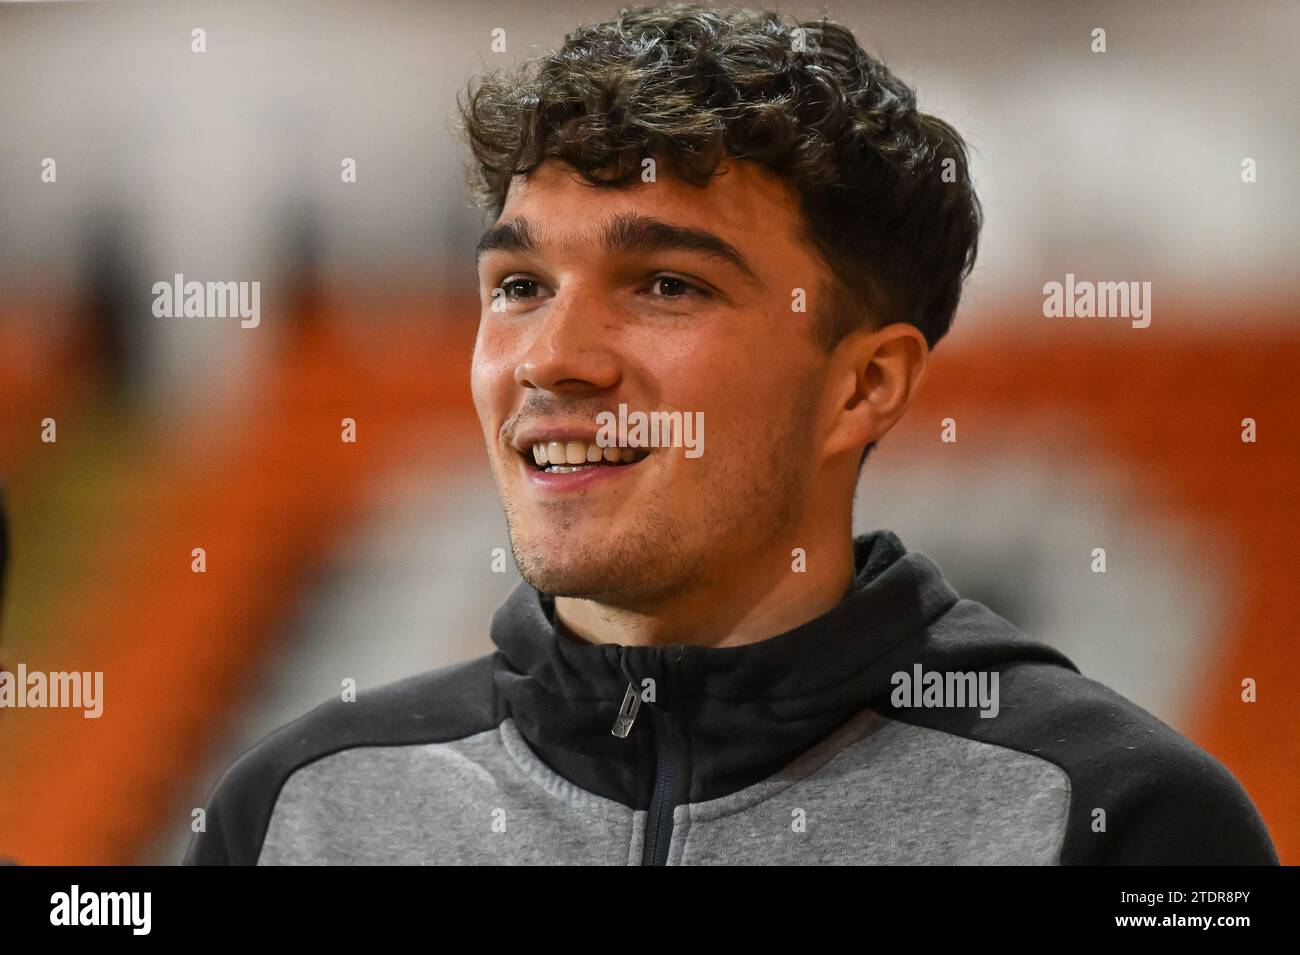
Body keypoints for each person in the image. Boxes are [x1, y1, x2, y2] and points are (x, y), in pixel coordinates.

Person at [184, 2, 1277, 865]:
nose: (550, 356)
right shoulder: (295, 812)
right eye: (517, 282)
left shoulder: (1122, 822)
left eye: (663, 284)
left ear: (863, 387)